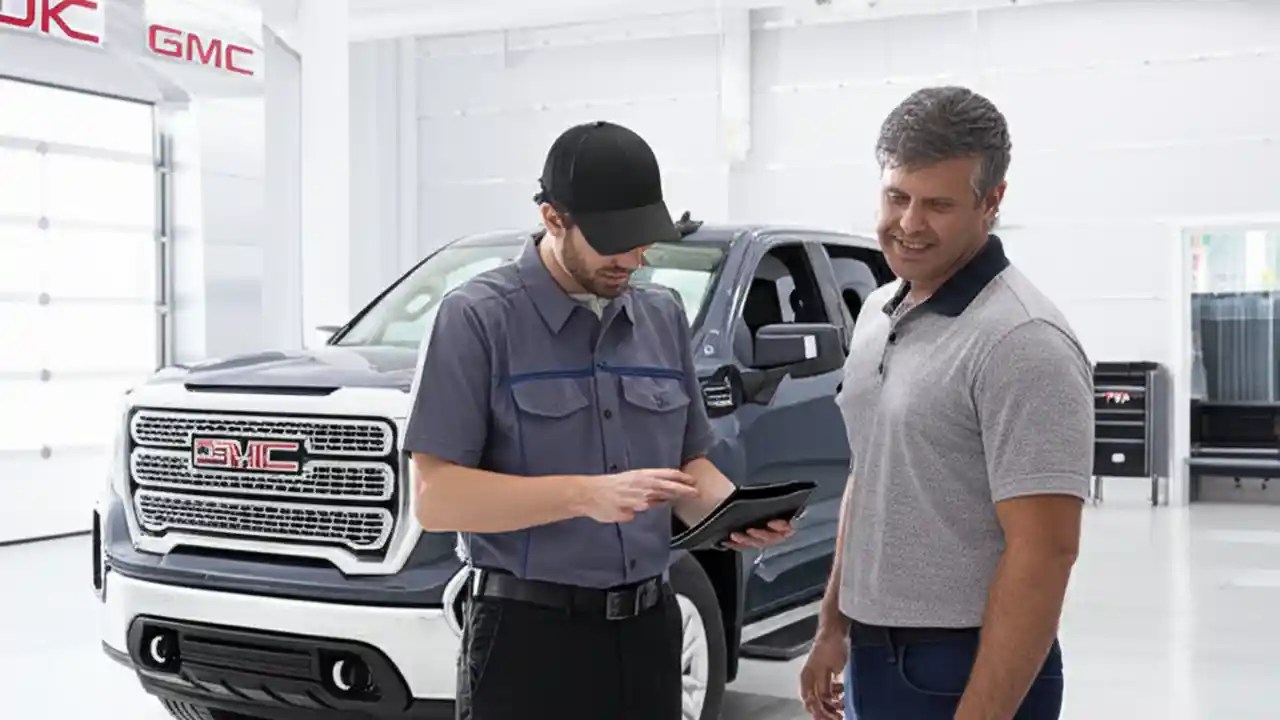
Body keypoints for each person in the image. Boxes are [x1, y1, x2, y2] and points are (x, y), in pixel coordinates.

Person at [403, 120, 794, 720]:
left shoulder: (662, 317)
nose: (634, 258)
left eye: (644, 239)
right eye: (616, 240)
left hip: (648, 633)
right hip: (527, 641)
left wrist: (731, 515)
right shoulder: (477, 319)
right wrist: (586, 496)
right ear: (554, 218)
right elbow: (437, 497)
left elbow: (688, 465)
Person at [799, 86, 1094, 720]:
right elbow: (873, 474)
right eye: (896, 196)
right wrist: (834, 624)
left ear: (992, 203)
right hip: (875, 655)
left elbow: (1045, 553)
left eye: (937, 205)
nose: (907, 224)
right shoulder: (881, 309)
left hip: (965, 665)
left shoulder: (1022, 342)